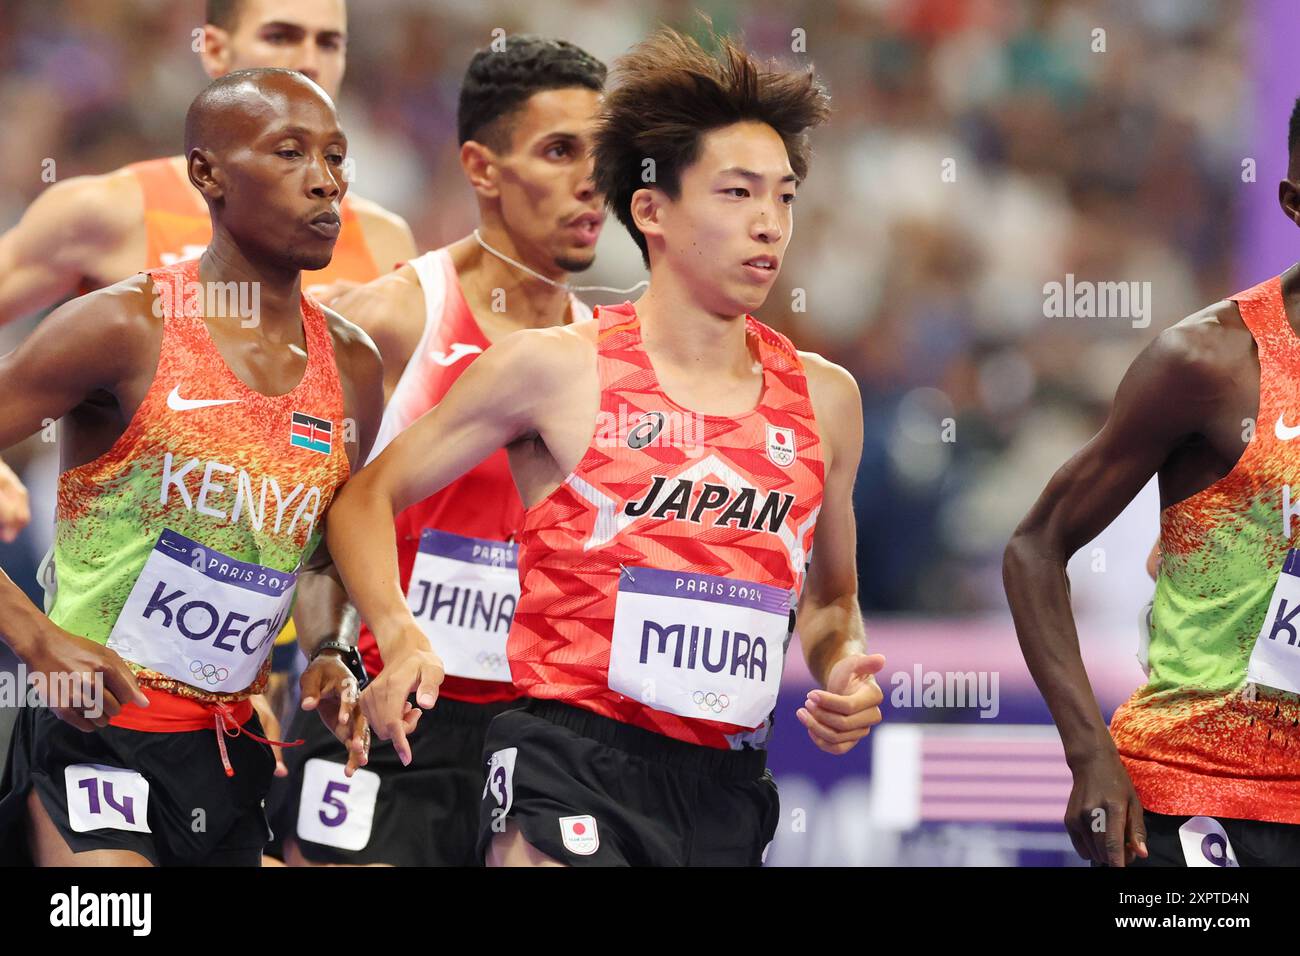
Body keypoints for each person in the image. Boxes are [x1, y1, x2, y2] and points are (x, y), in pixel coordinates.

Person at [326, 26, 885, 867]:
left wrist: (843, 667)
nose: (770, 224)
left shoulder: (827, 398)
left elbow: (832, 603)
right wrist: (396, 631)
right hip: (567, 759)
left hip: (725, 783)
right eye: (737, 194)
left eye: (785, 196)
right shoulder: (555, 370)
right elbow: (364, 496)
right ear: (651, 209)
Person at [0, 68, 382, 866]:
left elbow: (318, 552)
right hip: (91, 739)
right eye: (289, 153)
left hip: (226, 752)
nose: (325, 181)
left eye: (336, 157)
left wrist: (328, 649)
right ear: (206, 173)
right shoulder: (123, 326)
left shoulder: (351, 363)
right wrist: (33, 638)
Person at [272, 34, 607, 867]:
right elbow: (300, 522)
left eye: (605, 153)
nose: (592, 179)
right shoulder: (390, 319)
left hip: (532, 733)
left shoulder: (601, 356)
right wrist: (331, 651)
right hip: (387, 715)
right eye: (560, 151)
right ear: (481, 168)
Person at [0, 0, 414, 585]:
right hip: (114, 566)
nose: (307, 60)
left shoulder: (379, 237)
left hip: (286, 591)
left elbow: (388, 448)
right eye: (281, 36)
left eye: (329, 43)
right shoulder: (107, 208)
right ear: (215, 49)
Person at [1004, 99, 1300, 869]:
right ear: (1294, 203)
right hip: (1199, 799)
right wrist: (1088, 754)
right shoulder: (1211, 363)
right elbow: (1036, 547)